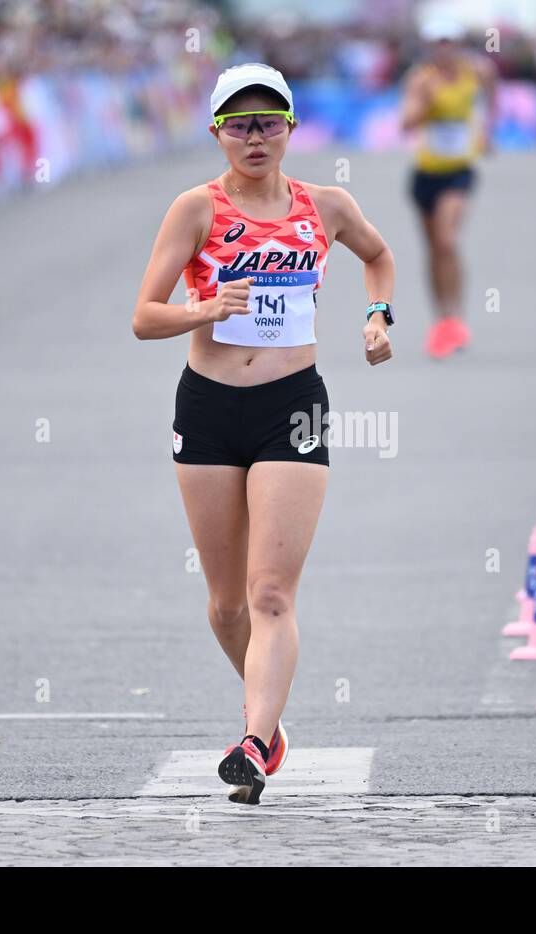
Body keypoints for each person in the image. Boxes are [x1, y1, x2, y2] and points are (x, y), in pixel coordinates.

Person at [132, 63, 396, 802]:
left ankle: (252, 740)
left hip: (294, 405)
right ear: (217, 133)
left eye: (269, 122)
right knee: (225, 604)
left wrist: (379, 317)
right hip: (209, 408)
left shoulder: (327, 206)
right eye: (240, 124)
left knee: (272, 592)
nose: (255, 137)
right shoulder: (196, 210)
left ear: (290, 129)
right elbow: (143, 316)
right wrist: (203, 310)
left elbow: (378, 257)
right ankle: (269, 727)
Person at [399, 17, 496, 359]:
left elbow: (492, 99)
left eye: (449, 42)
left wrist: (488, 132)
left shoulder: (478, 73)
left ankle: (456, 317)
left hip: (459, 172)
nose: (443, 49)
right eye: (437, 43)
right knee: (434, 250)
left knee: (447, 240)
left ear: (458, 45)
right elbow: (405, 124)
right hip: (426, 174)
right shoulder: (420, 79)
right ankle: (441, 320)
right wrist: (426, 104)